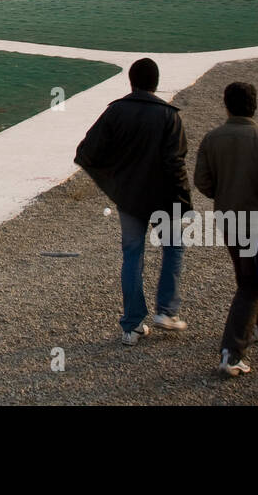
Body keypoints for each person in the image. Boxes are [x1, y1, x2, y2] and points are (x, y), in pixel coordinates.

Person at [75, 58, 190, 345]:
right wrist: (185, 201)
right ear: (156, 83)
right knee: (174, 248)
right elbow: (175, 164)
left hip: (129, 197)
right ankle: (166, 311)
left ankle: (132, 325)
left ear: (131, 81)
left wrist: (113, 180)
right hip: (164, 196)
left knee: (132, 256)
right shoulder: (169, 116)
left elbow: (86, 152)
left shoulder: (116, 111)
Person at [193, 81, 258, 377]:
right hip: (257, 222)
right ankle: (232, 353)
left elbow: (202, 181)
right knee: (251, 283)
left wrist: (224, 195)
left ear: (226, 105)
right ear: (254, 106)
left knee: (247, 275)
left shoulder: (212, 139)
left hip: (228, 221)